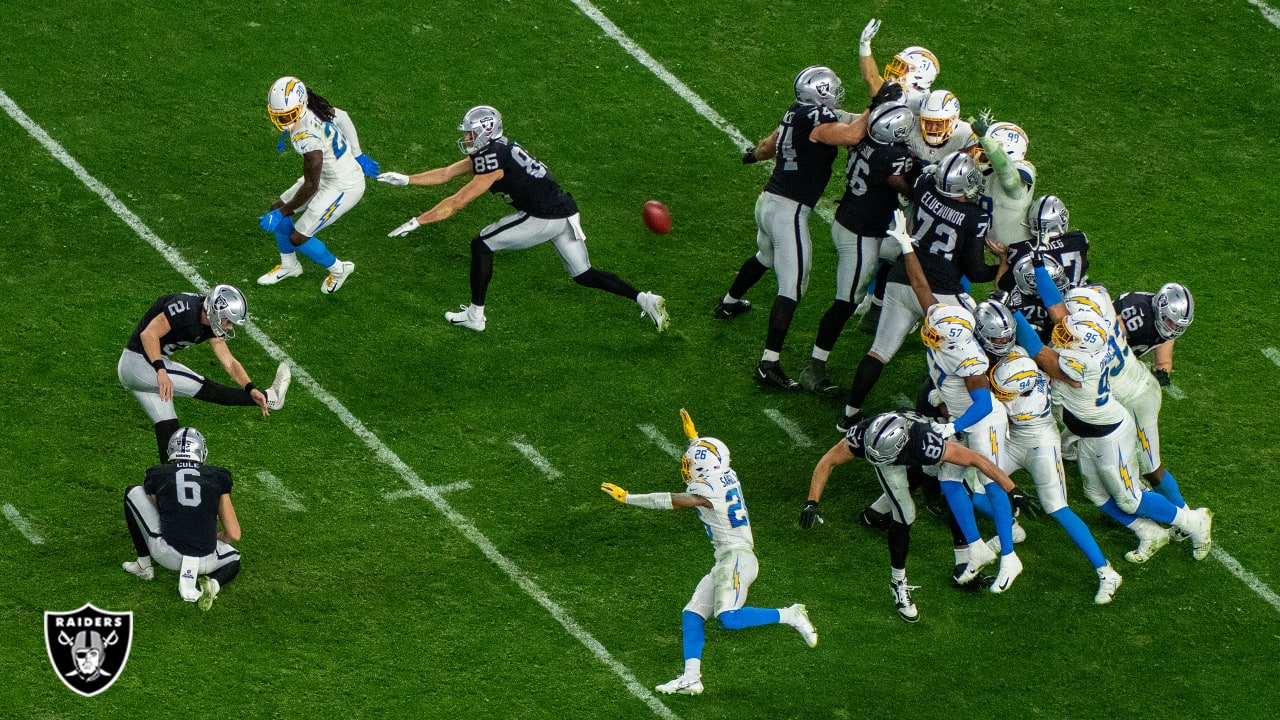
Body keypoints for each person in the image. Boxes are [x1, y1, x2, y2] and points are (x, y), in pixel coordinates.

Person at [379, 105, 668, 333]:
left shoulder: (492, 160)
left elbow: (457, 202)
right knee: (584, 275)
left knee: (482, 245)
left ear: (485, 132)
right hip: (564, 210)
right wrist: (407, 179)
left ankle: (476, 316)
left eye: (470, 134)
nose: (466, 138)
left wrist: (418, 221)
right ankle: (644, 299)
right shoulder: (497, 148)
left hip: (544, 217)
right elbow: (446, 173)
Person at [600, 409, 817, 696]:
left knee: (728, 617)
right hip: (728, 558)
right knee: (692, 614)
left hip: (737, 558)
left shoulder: (707, 489)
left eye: (691, 463)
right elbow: (711, 460)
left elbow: (672, 500)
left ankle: (790, 614)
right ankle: (691, 678)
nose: (687, 467)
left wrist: (629, 498)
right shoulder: (726, 473)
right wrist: (695, 438)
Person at [1012, 263, 1213, 562]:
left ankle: (1189, 520)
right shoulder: (1102, 315)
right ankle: (1150, 531)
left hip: (1130, 402)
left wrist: (1013, 313)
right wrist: (1039, 266)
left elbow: (1042, 351)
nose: (1065, 333)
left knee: (1147, 474)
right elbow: (1062, 312)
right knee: (1096, 492)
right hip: (1118, 397)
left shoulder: (1082, 360)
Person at [721, 66, 870, 389]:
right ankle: (768, 364)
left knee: (765, 255)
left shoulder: (795, 112)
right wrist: (878, 103)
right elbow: (852, 135)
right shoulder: (818, 122)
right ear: (821, 94)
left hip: (767, 201)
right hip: (789, 211)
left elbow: (769, 145)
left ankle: (729, 302)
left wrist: (752, 156)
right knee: (792, 287)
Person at [799, 410, 1021, 620]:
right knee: (905, 514)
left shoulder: (926, 444)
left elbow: (976, 459)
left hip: (922, 440)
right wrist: (812, 502)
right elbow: (828, 461)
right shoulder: (862, 436)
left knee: (955, 488)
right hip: (901, 452)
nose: (873, 460)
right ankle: (898, 583)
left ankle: (963, 562)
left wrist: (1012, 489)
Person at [838, 153, 999, 431]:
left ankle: (849, 415)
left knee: (879, 351)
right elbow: (976, 272)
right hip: (940, 294)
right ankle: (951, 409)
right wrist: (1003, 265)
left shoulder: (924, 187)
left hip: (902, 279)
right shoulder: (975, 216)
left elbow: (920, 177)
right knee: (972, 347)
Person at [799, 100, 915, 395]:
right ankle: (814, 367)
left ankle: (875, 311)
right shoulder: (893, 156)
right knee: (846, 302)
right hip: (861, 235)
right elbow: (905, 187)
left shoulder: (863, 138)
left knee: (902, 255)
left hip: (850, 219)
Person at [989, 354, 1124, 603]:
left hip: (1041, 444)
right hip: (1015, 440)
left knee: (1057, 508)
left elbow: (994, 413)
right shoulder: (1028, 370)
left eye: (1003, 391)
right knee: (980, 486)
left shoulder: (1024, 405)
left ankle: (1106, 571)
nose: (998, 392)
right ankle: (1010, 527)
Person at [118, 284, 291, 463]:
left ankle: (169, 477)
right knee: (204, 387)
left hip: (141, 368)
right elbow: (149, 335)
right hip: (140, 363)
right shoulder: (185, 309)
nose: (230, 327)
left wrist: (250, 388)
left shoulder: (211, 320)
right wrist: (161, 371)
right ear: (216, 313)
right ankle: (271, 397)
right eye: (229, 321)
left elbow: (230, 362)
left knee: (170, 435)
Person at [259, 76, 371, 294]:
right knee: (277, 208)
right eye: (279, 115)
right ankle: (289, 265)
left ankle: (339, 269)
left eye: (287, 115)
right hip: (328, 175)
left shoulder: (305, 136)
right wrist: (358, 153)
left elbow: (312, 185)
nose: (283, 120)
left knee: (298, 237)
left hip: (344, 185)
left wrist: (282, 213)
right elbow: (343, 116)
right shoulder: (313, 106)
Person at [122, 427, 242, 611]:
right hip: (205, 559)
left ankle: (143, 566)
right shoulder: (219, 476)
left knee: (133, 491)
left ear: (171, 451)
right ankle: (214, 584)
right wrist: (216, 536)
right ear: (201, 452)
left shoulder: (157, 473)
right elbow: (234, 534)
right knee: (234, 557)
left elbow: (160, 510)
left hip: (167, 554)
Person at [970, 112, 1036, 251]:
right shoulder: (985, 172)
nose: (980, 155)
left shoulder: (1017, 177)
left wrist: (987, 140)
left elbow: (1006, 171)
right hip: (991, 247)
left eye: (985, 151)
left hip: (1019, 254)